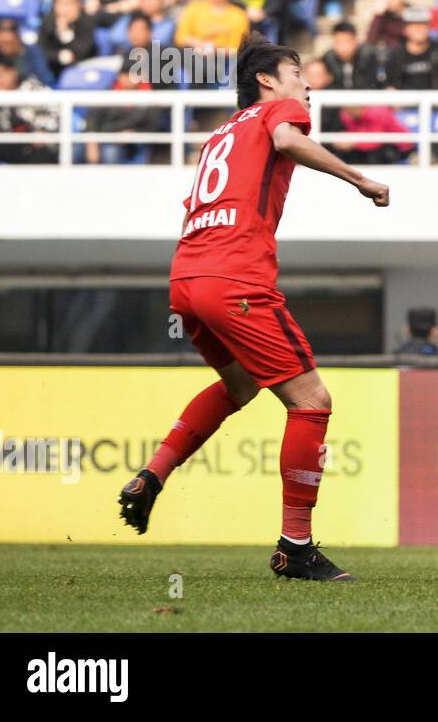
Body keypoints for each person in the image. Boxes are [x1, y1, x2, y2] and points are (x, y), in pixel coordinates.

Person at [118, 35, 390, 581]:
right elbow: (288, 139)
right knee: (312, 400)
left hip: (187, 278)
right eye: (297, 72)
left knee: (240, 387)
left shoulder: (219, 134)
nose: (307, 84)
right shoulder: (276, 111)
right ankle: (296, 546)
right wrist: (359, 179)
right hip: (234, 278)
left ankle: (153, 473)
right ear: (267, 80)